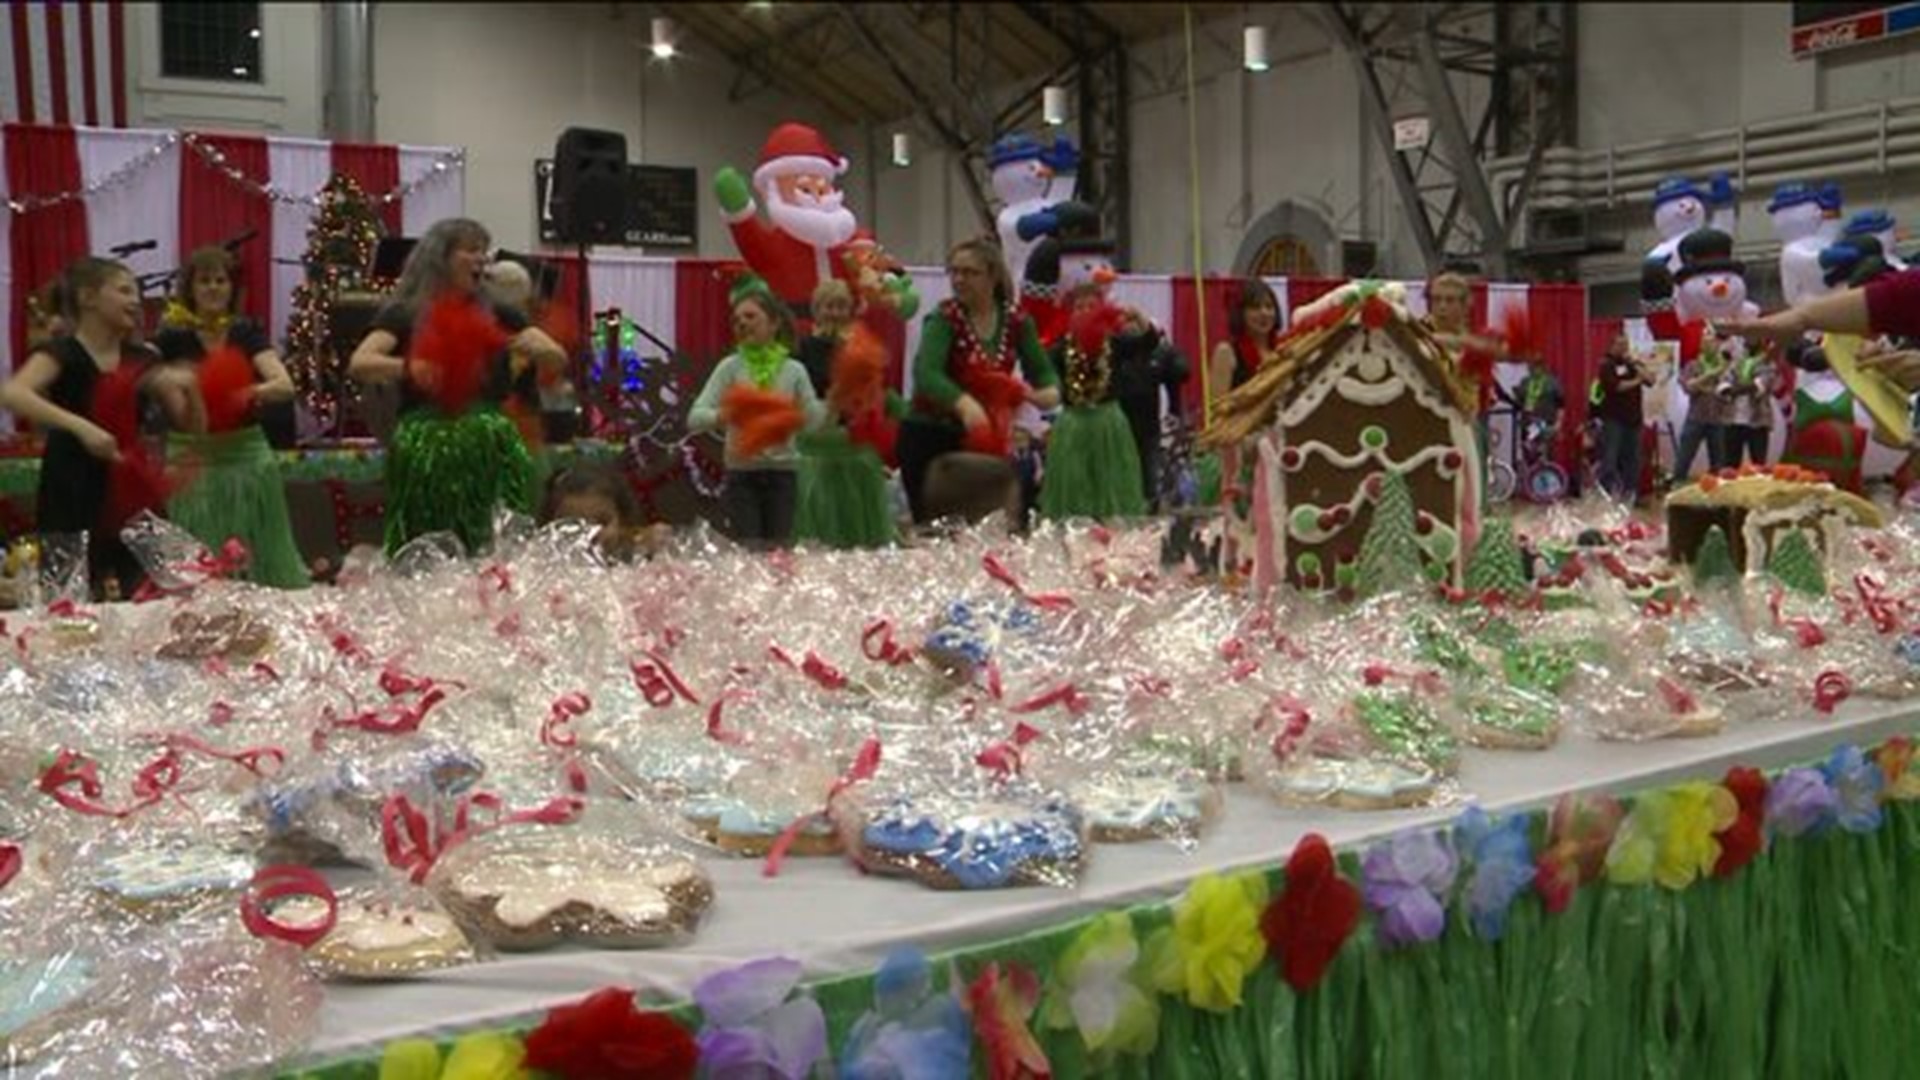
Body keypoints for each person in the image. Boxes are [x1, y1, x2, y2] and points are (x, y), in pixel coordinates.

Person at [349, 218, 566, 556]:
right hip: (427, 443)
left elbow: (555, 357)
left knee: (493, 544)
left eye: (483, 250)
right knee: (428, 541)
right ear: (441, 257)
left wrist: (546, 350)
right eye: (470, 250)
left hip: (489, 442)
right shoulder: (406, 312)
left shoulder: (498, 312)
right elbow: (361, 362)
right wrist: (409, 367)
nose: (481, 258)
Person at [0, 258, 194, 597]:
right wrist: (81, 427)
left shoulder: (143, 357)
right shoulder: (61, 352)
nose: (135, 300)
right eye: (123, 290)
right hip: (71, 482)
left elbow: (189, 423)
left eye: (136, 292)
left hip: (131, 482)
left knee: (154, 591)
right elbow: (13, 393)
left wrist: (191, 389)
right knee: (67, 593)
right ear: (88, 297)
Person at [151, 245, 308, 588]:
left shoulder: (245, 333)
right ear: (189, 288)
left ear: (231, 288)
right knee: (202, 562)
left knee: (263, 556)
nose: (212, 288)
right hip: (194, 459)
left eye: (220, 280)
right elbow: (161, 394)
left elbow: (283, 385)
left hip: (246, 457)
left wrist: (246, 393)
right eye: (204, 280)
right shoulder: (170, 339)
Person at [897, 238, 1060, 524]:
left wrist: (1047, 391)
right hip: (931, 436)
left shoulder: (1017, 320)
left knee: (990, 525)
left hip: (986, 439)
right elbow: (926, 374)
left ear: (993, 276)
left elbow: (1042, 371)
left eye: (969, 272)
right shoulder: (944, 318)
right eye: (954, 272)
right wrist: (964, 404)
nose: (959, 279)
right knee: (938, 531)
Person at [687, 284, 823, 547]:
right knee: (750, 555)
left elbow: (814, 419)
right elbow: (695, 417)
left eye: (750, 317)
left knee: (778, 554)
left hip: (783, 475)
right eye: (737, 319)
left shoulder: (794, 370)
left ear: (774, 324)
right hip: (742, 476)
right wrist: (725, 415)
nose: (742, 324)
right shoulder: (729, 367)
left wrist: (805, 413)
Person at [1037, 288, 1147, 522]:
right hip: (1073, 424)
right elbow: (1043, 375)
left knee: (1111, 482)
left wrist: (1138, 318)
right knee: (1072, 483)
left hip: (1108, 424)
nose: (1086, 312)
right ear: (1070, 314)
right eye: (1079, 307)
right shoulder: (1058, 349)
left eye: (1092, 307)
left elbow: (1148, 343)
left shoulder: (1114, 344)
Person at [1110, 307, 1189, 510]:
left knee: (1150, 483)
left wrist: (1160, 344)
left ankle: (1151, 510)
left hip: (1148, 430)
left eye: (1135, 324)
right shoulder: (1113, 353)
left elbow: (1182, 372)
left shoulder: (1158, 355)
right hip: (1117, 430)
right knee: (1120, 482)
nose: (1130, 326)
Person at [541, 461, 662, 563]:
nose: (590, 534)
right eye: (573, 525)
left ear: (623, 523)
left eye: (601, 523)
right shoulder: (538, 571)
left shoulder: (638, 566)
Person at [1594, 333, 1656, 502]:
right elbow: (1617, 387)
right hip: (1614, 419)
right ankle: (1606, 495)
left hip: (1634, 419)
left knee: (1634, 459)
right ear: (1611, 346)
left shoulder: (1632, 364)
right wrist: (1637, 380)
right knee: (1610, 458)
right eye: (1620, 344)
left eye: (1626, 344)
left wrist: (1636, 365)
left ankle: (1630, 495)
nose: (1624, 348)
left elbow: (1651, 380)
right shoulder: (1606, 365)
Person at [1207, 279, 1280, 398]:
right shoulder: (1226, 352)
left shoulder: (1283, 349)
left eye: (1269, 306)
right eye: (1255, 307)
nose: (1264, 313)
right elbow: (1216, 409)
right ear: (1241, 313)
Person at [1717, 345, 1776, 468]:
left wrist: (1735, 389)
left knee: (1758, 465)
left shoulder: (1767, 364)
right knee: (1729, 465)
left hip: (1757, 421)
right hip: (1732, 420)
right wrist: (1740, 388)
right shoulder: (1736, 363)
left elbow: (1760, 386)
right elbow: (1722, 387)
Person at [1674, 347, 1730, 478]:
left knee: (1719, 464)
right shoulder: (1693, 365)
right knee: (1683, 458)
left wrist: (1702, 386)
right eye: (1706, 338)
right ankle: (1677, 486)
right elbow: (1688, 387)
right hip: (1696, 417)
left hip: (1718, 418)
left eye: (1712, 339)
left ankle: (1717, 493)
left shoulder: (1725, 367)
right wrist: (1711, 375)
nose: (1710, 342)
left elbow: (1727, 394)